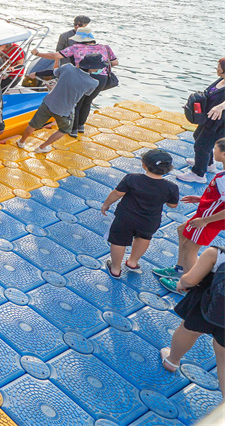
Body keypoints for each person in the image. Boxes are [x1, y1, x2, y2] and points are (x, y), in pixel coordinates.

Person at [100, 149, 179, 278]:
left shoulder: (132, 178)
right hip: (150, 221)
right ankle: (132, 262)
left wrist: (106, 204)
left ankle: (115, 269)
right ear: (168, 169)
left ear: (144, 165)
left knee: (118, 242)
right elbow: (172, 205)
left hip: (125, 218)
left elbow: (117, 193)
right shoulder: (171, 187)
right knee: (143, 239)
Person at [157, 244, 225, 395]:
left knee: (188, 331)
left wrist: (182, 283)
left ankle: (172, 360)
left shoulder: (216, 254)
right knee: (223, 356)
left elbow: (190, 280)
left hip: (205, 306)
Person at [155, 138, 225, 282]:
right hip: (208, 215)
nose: (213, 151)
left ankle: (189, 284)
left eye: (215, 149)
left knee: (190, 247)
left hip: (209, 220)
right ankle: (180, 270)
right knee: (182, 230)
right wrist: (202, 199)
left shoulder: (223, 178)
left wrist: (204, 221)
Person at [32, 29, 118, 136]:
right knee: (87, 102)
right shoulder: (105, 47)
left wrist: (37, 53)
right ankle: (81, 127)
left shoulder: (76, 48)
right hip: (101, 78)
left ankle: (73, 130)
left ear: (79, 39)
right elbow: (115, 62)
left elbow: (54, 56)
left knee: (76, 103)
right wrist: (98, 67)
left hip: (83, 75)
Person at [13, 53, 105, 153]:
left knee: (33, 124)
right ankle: (42, 147)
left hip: (48, 103)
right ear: (93, 69)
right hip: (64, 110)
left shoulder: (68, 67)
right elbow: (86, 93)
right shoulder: (94, 82)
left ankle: (21, 142)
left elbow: (51, 72)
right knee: (64, 130)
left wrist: (36, 74)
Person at [178, 58, 225, 184]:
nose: (217, 69)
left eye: (219, 66)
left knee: (201, 146)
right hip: (208, 118)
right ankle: (208, 164)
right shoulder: (221, 80)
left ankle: (198, 174)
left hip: (219, 123)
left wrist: (221, 106)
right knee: (197, 136)